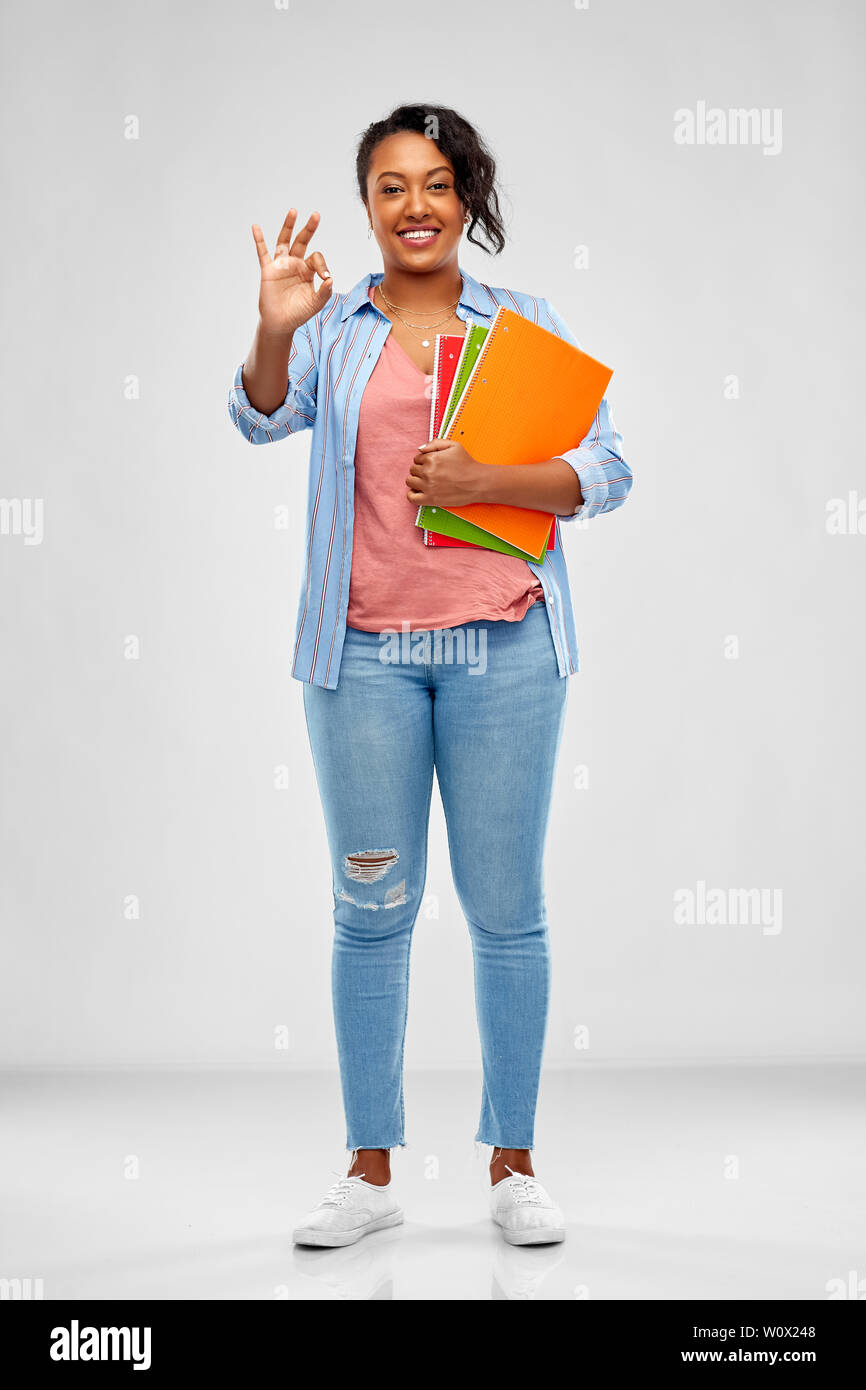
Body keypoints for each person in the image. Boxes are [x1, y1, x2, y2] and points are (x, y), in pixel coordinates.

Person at [227, 103, 632, 1248]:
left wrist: (487, 475)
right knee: (371, 911)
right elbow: (259, 418)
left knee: (506, 912)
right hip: (361, 659)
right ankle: (367, 1170)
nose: (416, 205)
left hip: (504, 647)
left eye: (438, 184)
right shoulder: (329, 328)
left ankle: (513, 1163)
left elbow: (606, 469)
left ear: (468, 201)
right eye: (393, 186)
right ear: (367, 205)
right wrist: (272, 326)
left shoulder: (525, 325)